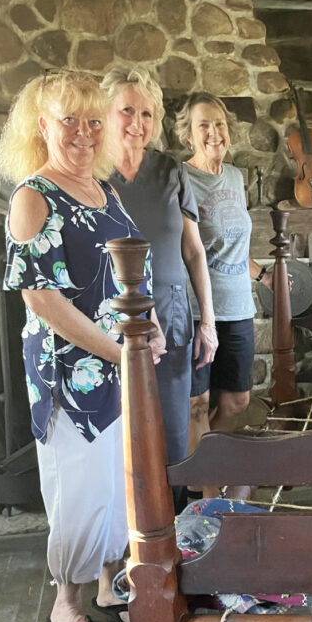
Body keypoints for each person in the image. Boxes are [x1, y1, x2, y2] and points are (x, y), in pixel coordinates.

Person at [0, 70, 166, 622]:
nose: (84, 132)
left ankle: (107, 586)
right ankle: (66, 600)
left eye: (94, 120)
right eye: (69, 119)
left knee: (118, 484)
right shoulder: (32, 196)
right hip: (69, 371)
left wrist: (150, 327)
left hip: (121, 359)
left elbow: (126, 272)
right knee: (77, 486)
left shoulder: (103, 189)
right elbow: (42, 301)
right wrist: (120, 348)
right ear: (40, 125)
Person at [101, 67, 218, 506]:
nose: (137, 123)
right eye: (126, 111)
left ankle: (172, 537)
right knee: (122, 434)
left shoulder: (171, 171)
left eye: (147, 113)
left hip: (172, 313)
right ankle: (129, 536)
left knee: (171, 434)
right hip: (112, 319)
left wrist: (207, 320)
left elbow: (193, 252)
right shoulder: (92, 177)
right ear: (106, 114)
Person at [175, 92, 267, 495]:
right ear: (189, 135)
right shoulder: (179, 178)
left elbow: (235, 246)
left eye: (219, 124)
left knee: (237, 403)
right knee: (197, 405)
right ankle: (210, 505)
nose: (214, 133)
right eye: (203, 125)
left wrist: (264, 274)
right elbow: (187, 249)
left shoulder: (235, 177)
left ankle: (201, 476)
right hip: (197, 312)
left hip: (238, 307)